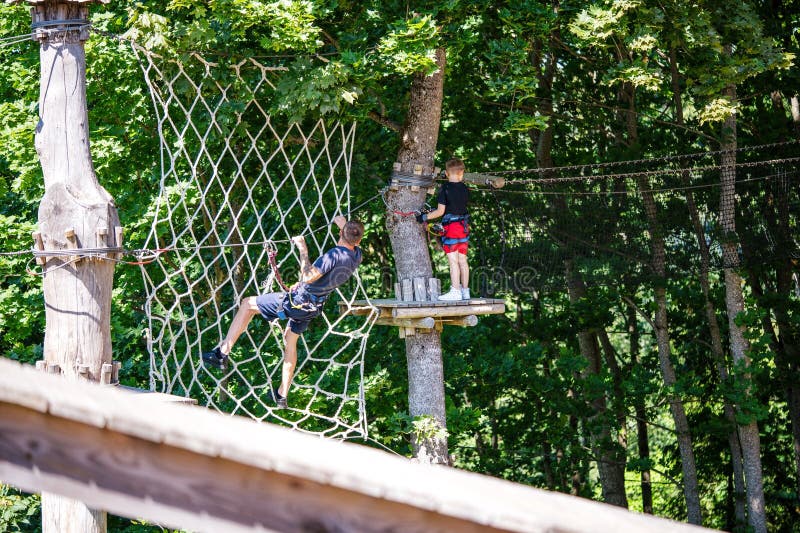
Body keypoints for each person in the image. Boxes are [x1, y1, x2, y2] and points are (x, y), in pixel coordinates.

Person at [202, 215, 364, 408]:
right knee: (290, 340)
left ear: (341, 233)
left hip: (298, 302)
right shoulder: (356, 255)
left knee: (247, 304)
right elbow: (350, 236)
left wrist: (302, 247)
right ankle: (281, 394)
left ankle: (221, 354)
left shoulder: (334, 255)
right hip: (313, 307)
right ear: (359, 240)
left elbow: (307, 276)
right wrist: (344, 224)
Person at [416, 158, 470, 301]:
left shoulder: (444, 189)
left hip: (451, 229)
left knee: (453, 261)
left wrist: (424, 217)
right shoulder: (465, 188)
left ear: (446, 173)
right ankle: (465, 291)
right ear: (462, 173)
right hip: (463, 227)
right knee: (463, 261)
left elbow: (440, 212)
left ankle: (455, 291)